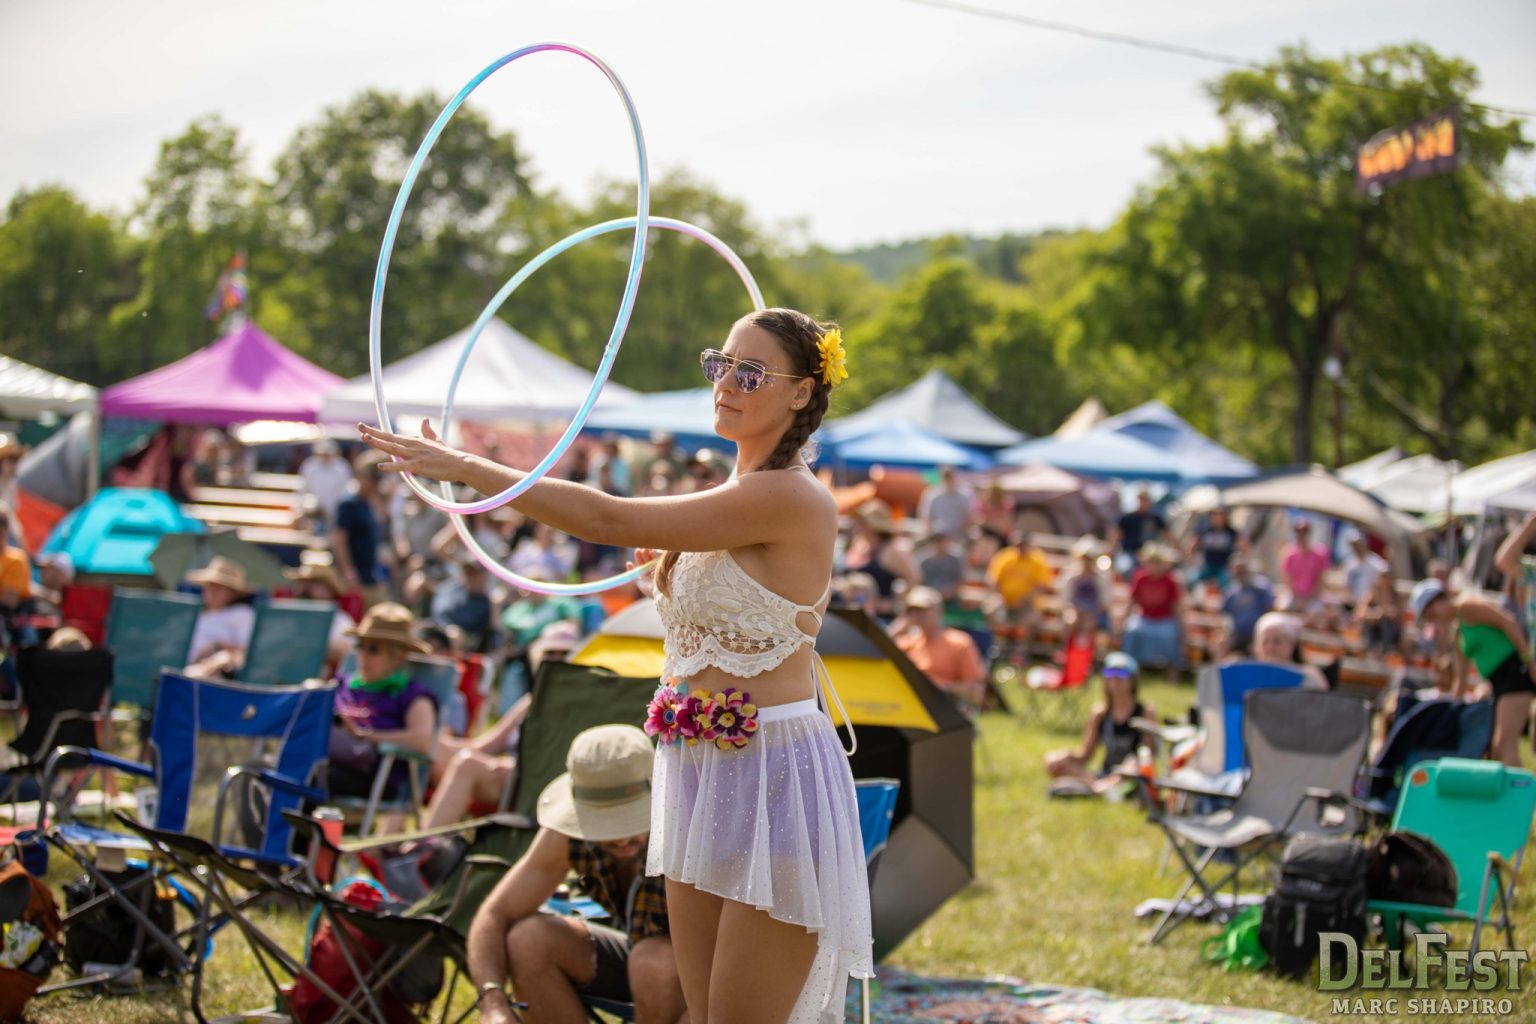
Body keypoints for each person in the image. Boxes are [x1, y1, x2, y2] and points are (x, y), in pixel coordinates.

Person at [360, 307, 870, 1023]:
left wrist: (468, 471)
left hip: (771, 775)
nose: (727, 383)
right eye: (720, 365)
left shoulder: (787, 496)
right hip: (698, 768)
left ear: (799, 393)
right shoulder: (726, 503)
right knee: (702, 1009)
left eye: (751, 372)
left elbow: (607, 518)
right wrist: (673, 575)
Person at [467, 725, 684, 1024]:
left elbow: (745, 958)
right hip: (635, 960)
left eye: (630, 819)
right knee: (527, 939)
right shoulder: (567, 834)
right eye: (605, 823)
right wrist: (492, 1005)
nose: (621, 840)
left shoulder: (693, 832)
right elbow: (495, 915)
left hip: (708, 981)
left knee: (651, 961)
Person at [1412, 579, 1536, 768]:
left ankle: (1523, 796)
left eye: (1431, 612)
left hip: (1515, 671)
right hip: (1498, 683)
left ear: (1440, 600)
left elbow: (1508, 623)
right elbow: (1460, 682)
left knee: (1504, 744)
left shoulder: (1467, 605)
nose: (1432, 619)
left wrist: (1529, 661)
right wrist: (1447, 710)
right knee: (1494, 751)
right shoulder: (1458, 633)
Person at [328, 602, 438, 798]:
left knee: (306, 777)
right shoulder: (343, 683)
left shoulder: (412, 694)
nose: (363, 655)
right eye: (361, 645)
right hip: (328, 759)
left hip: (373, 776)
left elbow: (422, 741)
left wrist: (362, 735)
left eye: (374, 649)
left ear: (398, 655)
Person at [1043, 653, 1157, 789]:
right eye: (1110, 673)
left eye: (1121, 674)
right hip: (1104, 774)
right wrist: (1064, 755)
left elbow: (1148, 755)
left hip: (1131, 775)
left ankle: (1099, 788)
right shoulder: (1100, 713)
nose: (1115, 679)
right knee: (1054, 761)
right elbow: (1084, 755)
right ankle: (1098, 787)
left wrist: (1129, 768)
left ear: (1133, 680)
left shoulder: (1145, 712)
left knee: (1132, 766)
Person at [891, 586, 988, 710]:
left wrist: (945, 688)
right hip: (910, 704)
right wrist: (898, 629)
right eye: (912, 611)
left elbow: (976, 690)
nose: (917, 616)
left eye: (923, 610)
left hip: (946, 707)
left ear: (938, 612)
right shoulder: (905, 643)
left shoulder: (959, 643)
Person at [839, 500, 918, 618]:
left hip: (878, 619)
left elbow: (914, 578)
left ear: (874, 525)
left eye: (863, 521)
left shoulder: (888, 550)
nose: (858, 524)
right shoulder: (856, 544)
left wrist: (894, 603)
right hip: (849, 612)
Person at [333, 450, 391, 605]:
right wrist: (348, 571)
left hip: (370, 575)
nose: (375, 484)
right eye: (372, 478)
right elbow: (339, 540)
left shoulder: (369, 505)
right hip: (356, 578)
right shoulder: (348, 504)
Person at [183, 557, 258, 678]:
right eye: (210, 586)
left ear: (232, 593)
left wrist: (217, 648)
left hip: (210, 673)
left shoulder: (241, 614)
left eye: (220, 587)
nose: (213, 591)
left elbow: (248, 652)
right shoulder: (192, 613)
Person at [1118, 544, 1185, 672]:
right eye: (1151, 562)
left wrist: (1183, 628)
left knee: (1171, 634)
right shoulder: (1140, 578)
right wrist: (1121, 622)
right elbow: (1131, 601)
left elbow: (1176, 607)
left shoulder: (1170, 581)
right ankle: (1130, 668)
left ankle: (1173, 671)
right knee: (1131, 630)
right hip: (1144, 618)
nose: (1154, 566)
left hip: (1165, 620)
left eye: (1157, 562)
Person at [282, 556, 356, 670]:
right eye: (302, 583)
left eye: (313, 583)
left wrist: (306, 644)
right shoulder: (283, 616)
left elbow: (347, 653)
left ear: (330, 590)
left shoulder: (340, 620)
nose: (304, 590)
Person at [986, 530, 1054, 648]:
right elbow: (993, 581)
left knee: (1031, 620)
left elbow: (1042, 586)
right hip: (1005, 602)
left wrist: (1024, 600)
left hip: (1028, 605)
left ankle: (1022, 651)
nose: (1021, 548)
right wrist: (1002, 597)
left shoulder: (1038, 560)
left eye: (1024, 545)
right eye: (1018, 545)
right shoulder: (1005, 557)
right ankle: (998, 646)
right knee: (990, 610)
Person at [1220, 558, 1274, 654]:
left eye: (1243, 571)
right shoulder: (1231, 592)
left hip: (1257, 635)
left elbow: (1269, 608)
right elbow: (1225, 615)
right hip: (1238, 635)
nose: (1241, 574)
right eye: (1238, 572)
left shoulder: (1260, 588)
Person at [297, 438, 354, 528]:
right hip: (314, 510)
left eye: (328, 454)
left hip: (336, 509)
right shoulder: (309, 466)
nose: (325, 457)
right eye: (323, 454)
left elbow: (344, 492)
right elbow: (303, 490)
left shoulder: (342, 467)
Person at [1109, 490, 1168, 569]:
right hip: (1129, 552)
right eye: (1142, 499)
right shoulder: (1128, 518)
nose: (1144, 502)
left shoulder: (1155, 518)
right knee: (1124, 568)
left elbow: (1168, 534)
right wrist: (1110, 551)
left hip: (1150, 554)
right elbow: (1117, 535)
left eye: (1146, 500)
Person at [1279, 519, 1330, 612]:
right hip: (1294, 597)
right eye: (1298, 531)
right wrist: (1298, 599)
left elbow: (1320, 582)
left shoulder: (1320, 553)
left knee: (1317, 612)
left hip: (1314, 598)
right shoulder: (1289, 553)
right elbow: (1287, 581)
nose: (1301, 535)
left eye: (1304, 531)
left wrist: (1308, 599)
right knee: (1282, 607)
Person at [1187, 507, 1239, 588]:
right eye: (1215, 515)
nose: (1218, 518)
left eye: (1220, 515)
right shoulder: (1206, 530)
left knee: (1227, 584)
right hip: (1208, 565)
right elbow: (1194, 543)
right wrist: (1190, 556)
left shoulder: (1230, 532)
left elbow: (1242, 545)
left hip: (1223, 565)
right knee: (1192, 580)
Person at [917, 466, 971, 541]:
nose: (948, 480)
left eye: (950, 476)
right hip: (936, 535)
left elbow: (968, 518)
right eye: (946, 477)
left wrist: (956, 536)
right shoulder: (931, 494)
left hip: (958, 536)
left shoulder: (964, 496)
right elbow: (926, 518)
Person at [1340, 529, 1389, 609]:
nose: (1357, 547)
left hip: (1370, 605)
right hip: (1352, 605)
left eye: (1358, 544)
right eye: (1354, 545)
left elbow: (1384, 577)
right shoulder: (1349, 564)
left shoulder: (1375, 563)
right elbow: (1345, 587)